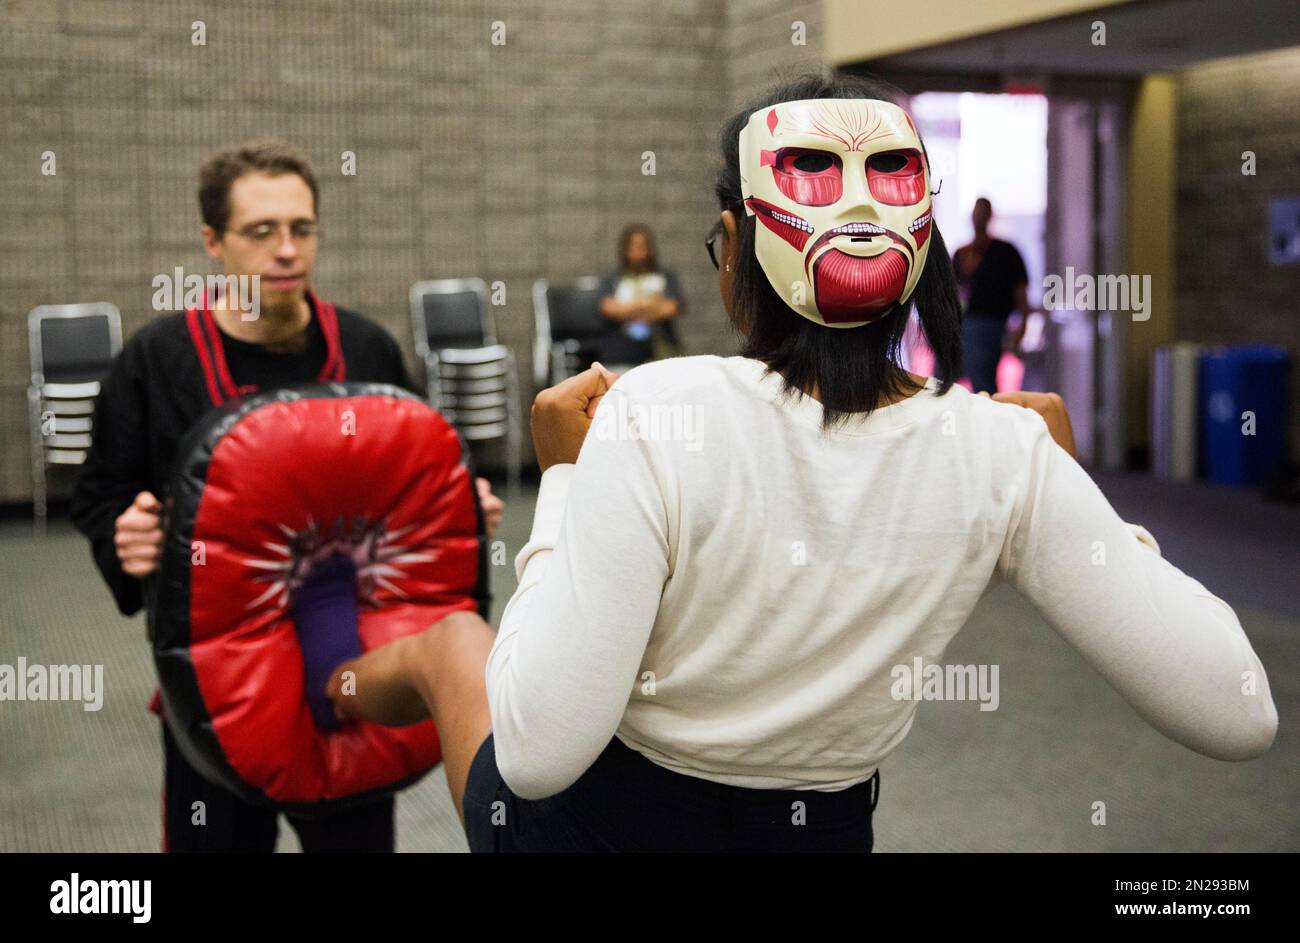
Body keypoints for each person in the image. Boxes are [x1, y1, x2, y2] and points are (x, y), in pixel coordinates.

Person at [326, 75, 1277, 852]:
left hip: (589, 834)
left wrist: (568, 482)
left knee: (455, 642)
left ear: (734, 249)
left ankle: (328, 696)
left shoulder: (657, 410)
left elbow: (535, 755)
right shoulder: (1000, 448)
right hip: (817, 837)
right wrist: (1082, 503)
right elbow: (1242, 713)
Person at [69, 140, 504, 853]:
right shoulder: (156, 360)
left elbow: (419, 485)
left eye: (301, 229)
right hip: (217, 681)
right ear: (213, 242)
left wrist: (461, 512)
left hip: (359, 668)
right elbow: (100, 491)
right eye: (261, 231)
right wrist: (127, 533)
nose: (285, 250)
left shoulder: (365, 350)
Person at [952, 197, 1034, 393]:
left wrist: (1022, 326)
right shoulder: (963, 254)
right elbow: (951, 293)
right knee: (975, 379)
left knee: (983, 380)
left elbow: (1020, 292)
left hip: (992, 323)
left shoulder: (1005, 252)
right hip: (968, 323)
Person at [596, 224, 685, 372]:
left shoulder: (665, 276)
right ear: (625, 248)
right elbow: (608, 308)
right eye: (633, 245)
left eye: (643, 245)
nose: (638, 250)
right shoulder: (612, 279)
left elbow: (672, 307)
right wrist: (649, 304)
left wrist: (627, 309)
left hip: (661, 351)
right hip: (620, 353)